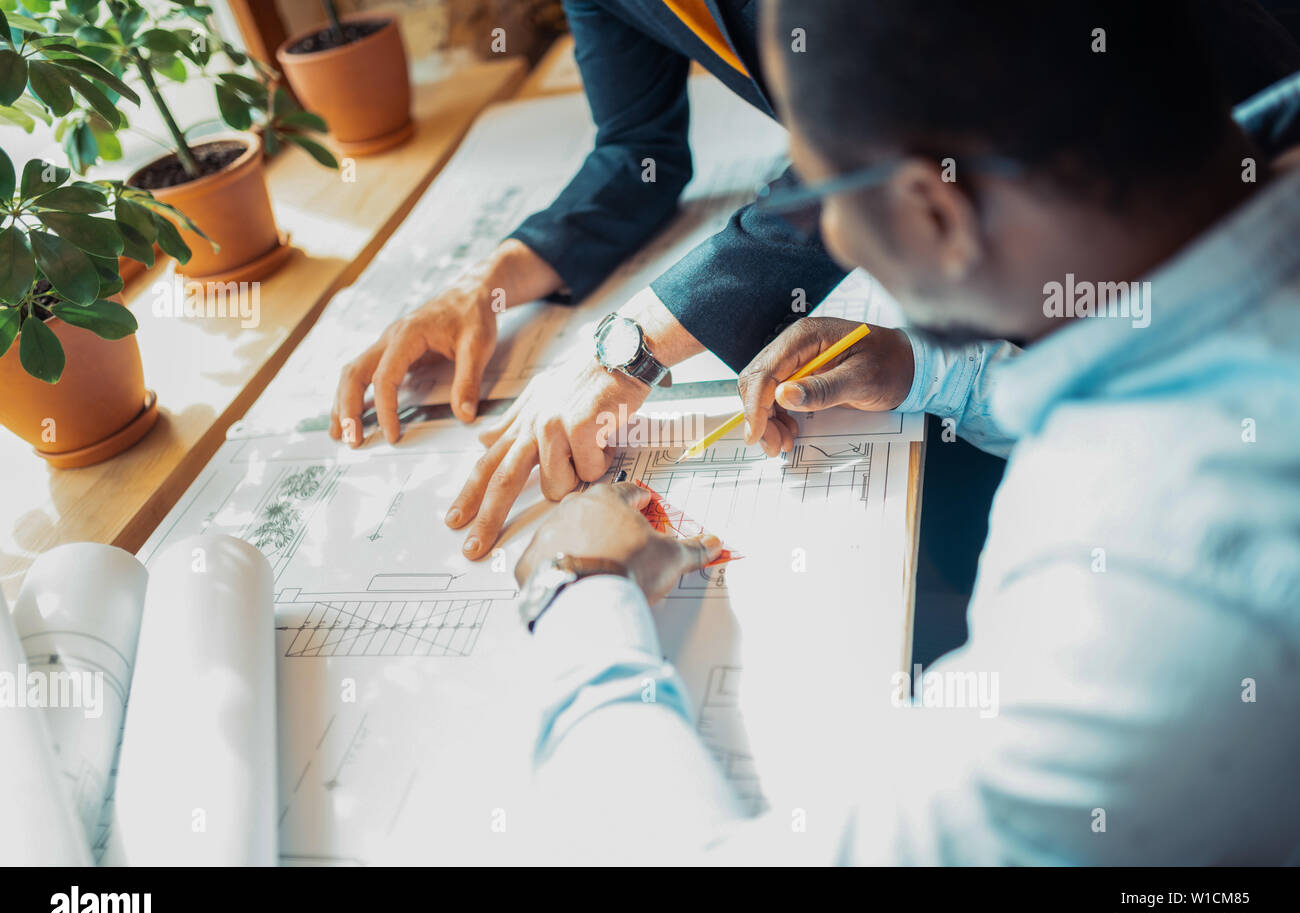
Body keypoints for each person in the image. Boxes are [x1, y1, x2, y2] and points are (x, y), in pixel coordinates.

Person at [434, 1, 1300, 864]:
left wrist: (579, 595)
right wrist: (932, 372)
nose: (836, 238)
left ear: (933, 208)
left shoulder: (1149, 595)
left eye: (828, 191)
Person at [331, 0, 1300, 565]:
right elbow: (636, 153)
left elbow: (871, 145)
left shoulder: (1162, 524)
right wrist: (496, 283)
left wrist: (625, 353)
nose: (844, 234)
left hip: (1177, 148)